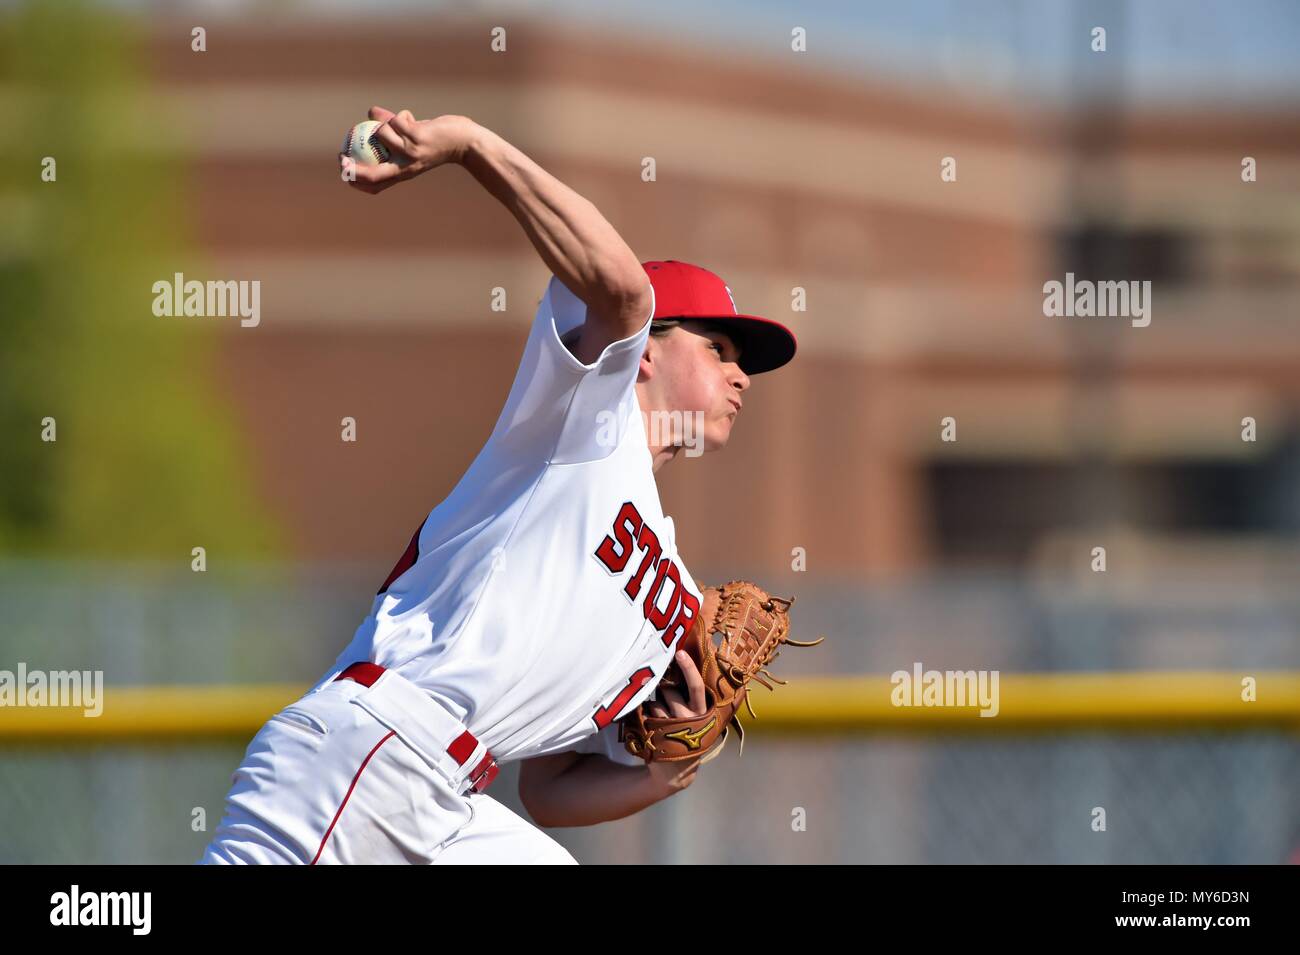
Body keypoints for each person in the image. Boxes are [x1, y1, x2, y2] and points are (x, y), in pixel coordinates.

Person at [199, 108, 796, 864]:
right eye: (719, 348)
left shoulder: (677, 595)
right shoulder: (586, 420)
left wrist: (666, 771)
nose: (741, 373)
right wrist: (468, 144)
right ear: (645, 354)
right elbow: (621, 293)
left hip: (452, 800)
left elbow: (547, 790)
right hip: (372, 748)